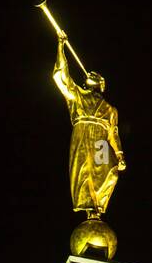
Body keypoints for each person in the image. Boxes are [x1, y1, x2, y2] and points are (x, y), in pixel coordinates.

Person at [53, 32, 126, 217]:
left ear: (101, 85)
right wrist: (61, 47)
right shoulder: (78, 95)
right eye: (91, 75)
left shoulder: (110, 109)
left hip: (101, 141)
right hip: (83, 134)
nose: (92, 74)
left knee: (109, 172)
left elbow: (113, 133)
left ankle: (98, 205)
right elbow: (62, 77)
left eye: (96, 76)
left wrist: (119, 154)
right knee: (83, 171)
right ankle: (90, 210)